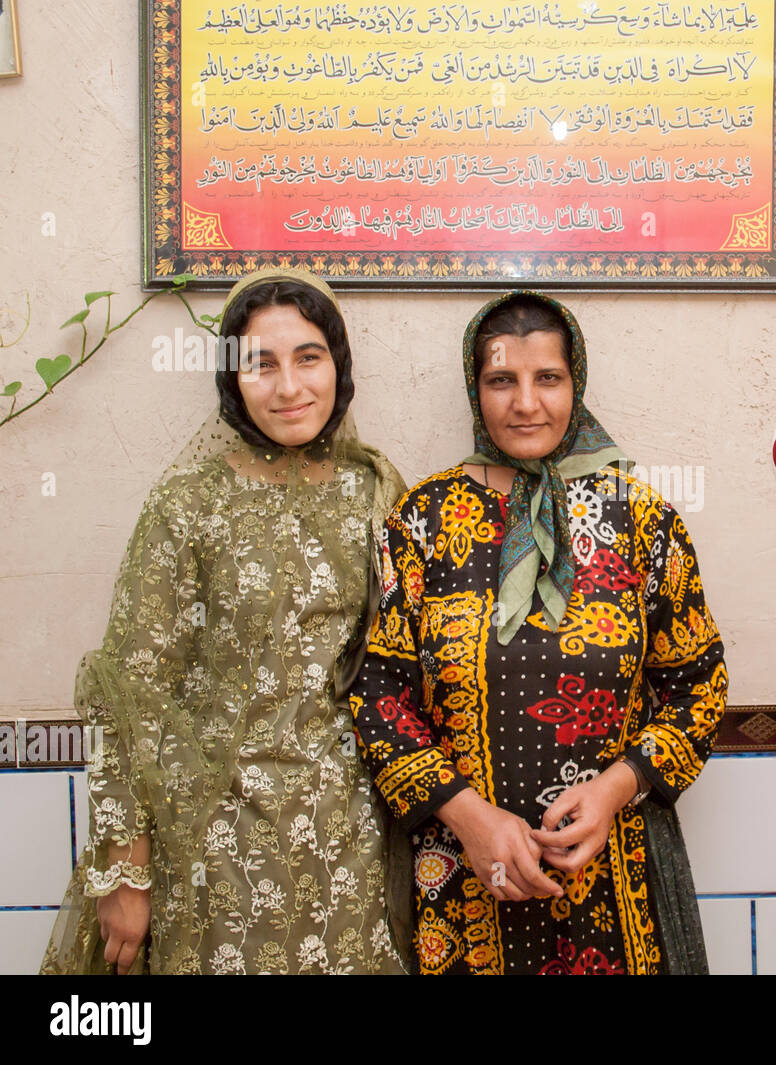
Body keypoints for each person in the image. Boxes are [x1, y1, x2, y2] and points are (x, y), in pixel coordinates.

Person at [42, 268, 412, 974]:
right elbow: (130, 692)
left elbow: (402, 667)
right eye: (259, 364)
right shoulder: (189, 505)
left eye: (309, 357)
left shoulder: (377, 491)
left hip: (349, 840)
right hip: (211, 844)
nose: (288, 386)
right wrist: (127, 870)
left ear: (340, 366)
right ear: (230, 381)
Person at [350, 291, 728, 974]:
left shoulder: (643, 521)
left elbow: (697, 687)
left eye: (546, 378)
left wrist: (617, 788)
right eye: (502, 380)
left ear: (575, 384)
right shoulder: (421, 522)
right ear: (475, 389)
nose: (526, 402)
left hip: (618, 882)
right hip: (464, 886)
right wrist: (468, 817)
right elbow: (379, 696)